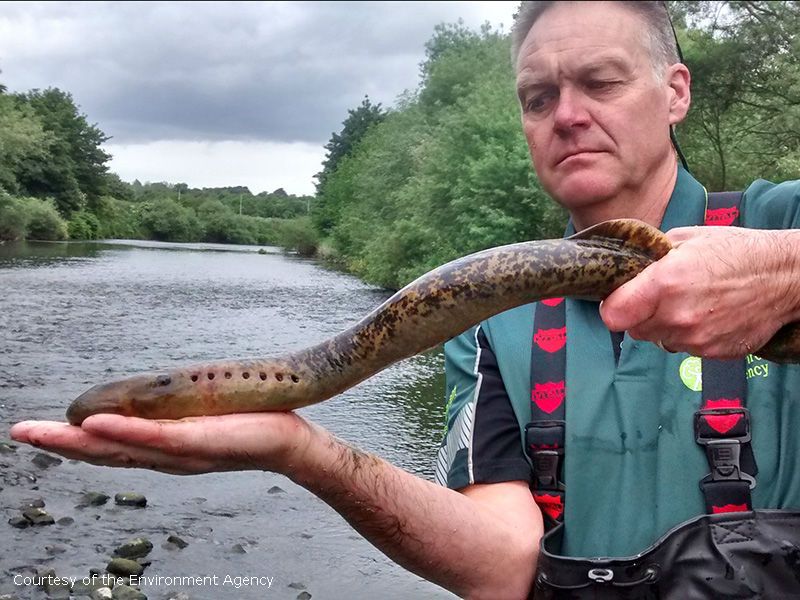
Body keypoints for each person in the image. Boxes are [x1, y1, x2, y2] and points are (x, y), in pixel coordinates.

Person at [10, 1, 800, 597]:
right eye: (537, 98)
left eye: (600, 82)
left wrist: (784, 273)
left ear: (675, 92)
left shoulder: (783, 222)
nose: (566, 115)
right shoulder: (493, 322)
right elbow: (502, 566)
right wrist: (304, 454)